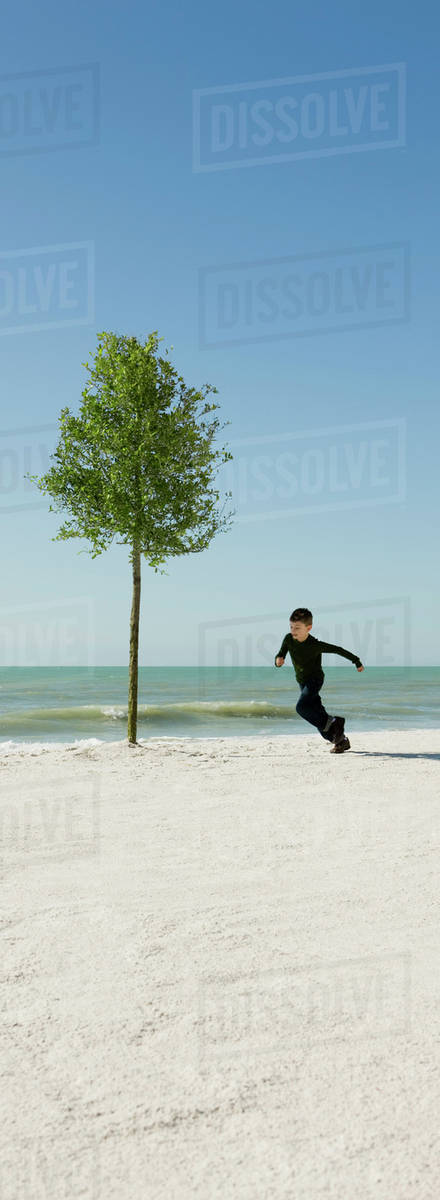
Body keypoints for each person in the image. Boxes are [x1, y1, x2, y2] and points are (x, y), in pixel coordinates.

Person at [275, 606, 364, 753]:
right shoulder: (288, 639)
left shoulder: (315, 645)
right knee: (317, 714)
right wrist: (279, 659)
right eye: (291, 627)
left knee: (302, 708)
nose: (293, 631)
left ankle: (336, 721)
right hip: (302, 681)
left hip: (315, 680)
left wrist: (356, 661)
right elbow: (281, 652)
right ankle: (341, 741)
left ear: (308, 628)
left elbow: (338, 649)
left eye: (297, 627)